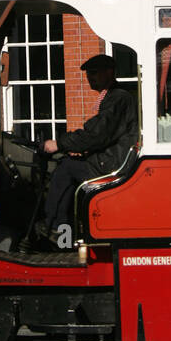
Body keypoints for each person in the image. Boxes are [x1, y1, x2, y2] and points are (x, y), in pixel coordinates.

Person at [42, 54, 138, 238]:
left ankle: (56, 229)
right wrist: (79, 148)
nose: (90, 78)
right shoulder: (114, 97)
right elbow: (100, 134)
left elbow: (97, 135)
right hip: (112, 158)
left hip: (113, 164)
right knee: (70, 163)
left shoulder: (118, 98)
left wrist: (59, 144)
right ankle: (65, 231)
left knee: (66, 168)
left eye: (94, 73)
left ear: (109, 72)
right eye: (88, 74)